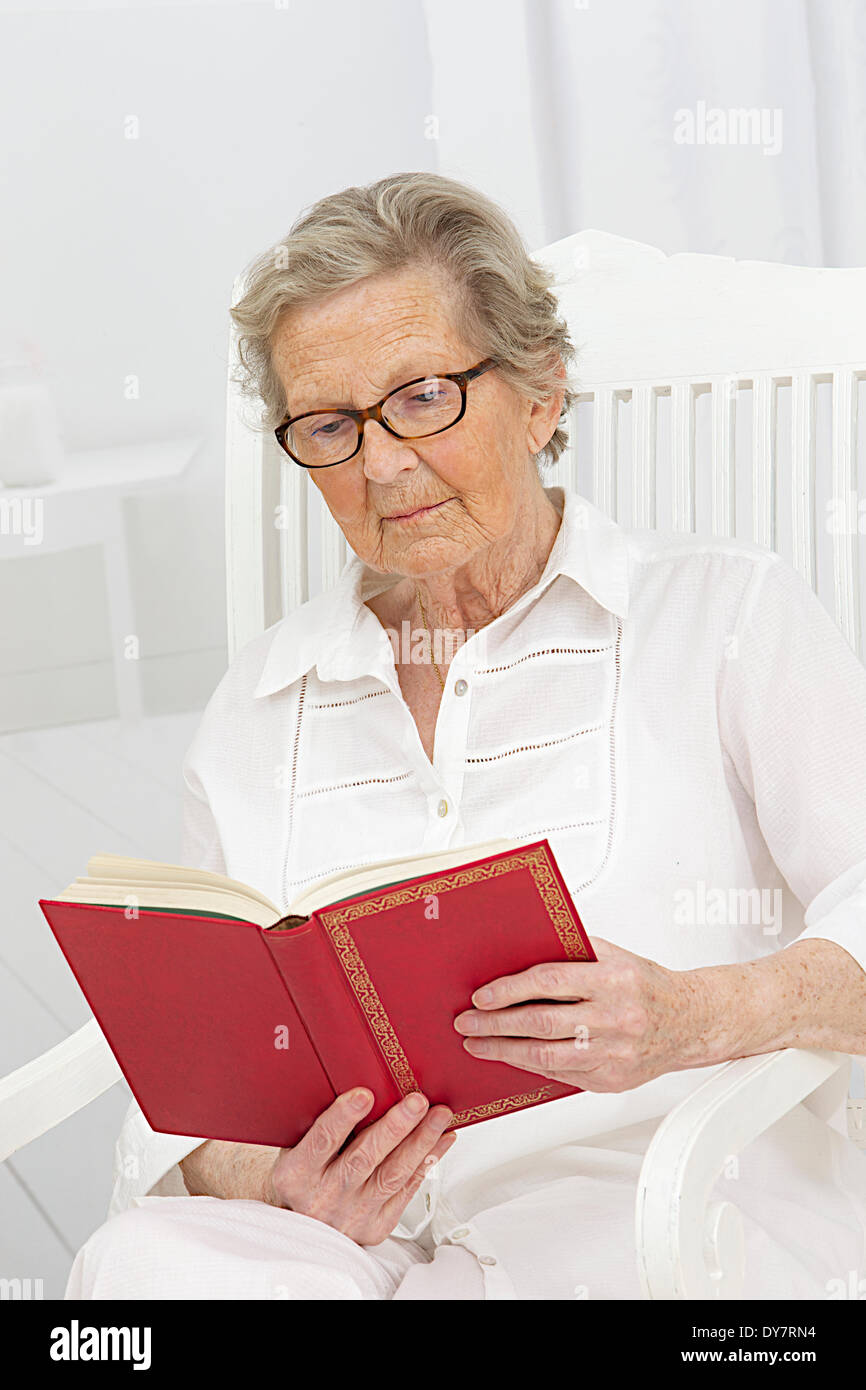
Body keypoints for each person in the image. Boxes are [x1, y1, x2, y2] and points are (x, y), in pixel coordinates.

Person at [66, 172, 866, 1301]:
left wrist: (701, 1015)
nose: (381, 463)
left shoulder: (724, 619)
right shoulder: (263, 700)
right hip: (345, 1240)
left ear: (539, 391)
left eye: (425, 395)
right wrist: (259, 1175)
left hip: (658, 1219)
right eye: (330, 425)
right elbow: (186, 1070)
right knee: (141, 1270)